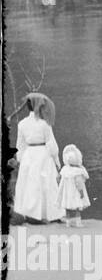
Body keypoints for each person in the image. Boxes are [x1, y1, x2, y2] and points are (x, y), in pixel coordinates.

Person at [14, 92, 61, 223]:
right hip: (43, 154)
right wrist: (57, 161)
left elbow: (20, 145)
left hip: (29, 155)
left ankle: (31, 213)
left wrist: (20, 160)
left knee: (30, 184)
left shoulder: (22, 124)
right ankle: (50, 213)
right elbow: (52, 144)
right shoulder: (45, 124)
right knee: (47, 184)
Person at [57, 144, 90, 225]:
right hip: (75, 193)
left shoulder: (64, 169)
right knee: (77, 208)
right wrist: (81, 193)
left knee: (67, 208)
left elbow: (58, 178)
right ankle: (78, 223)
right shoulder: (77, 171)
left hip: (67, 193)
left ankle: (68, 223)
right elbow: (79, 184)